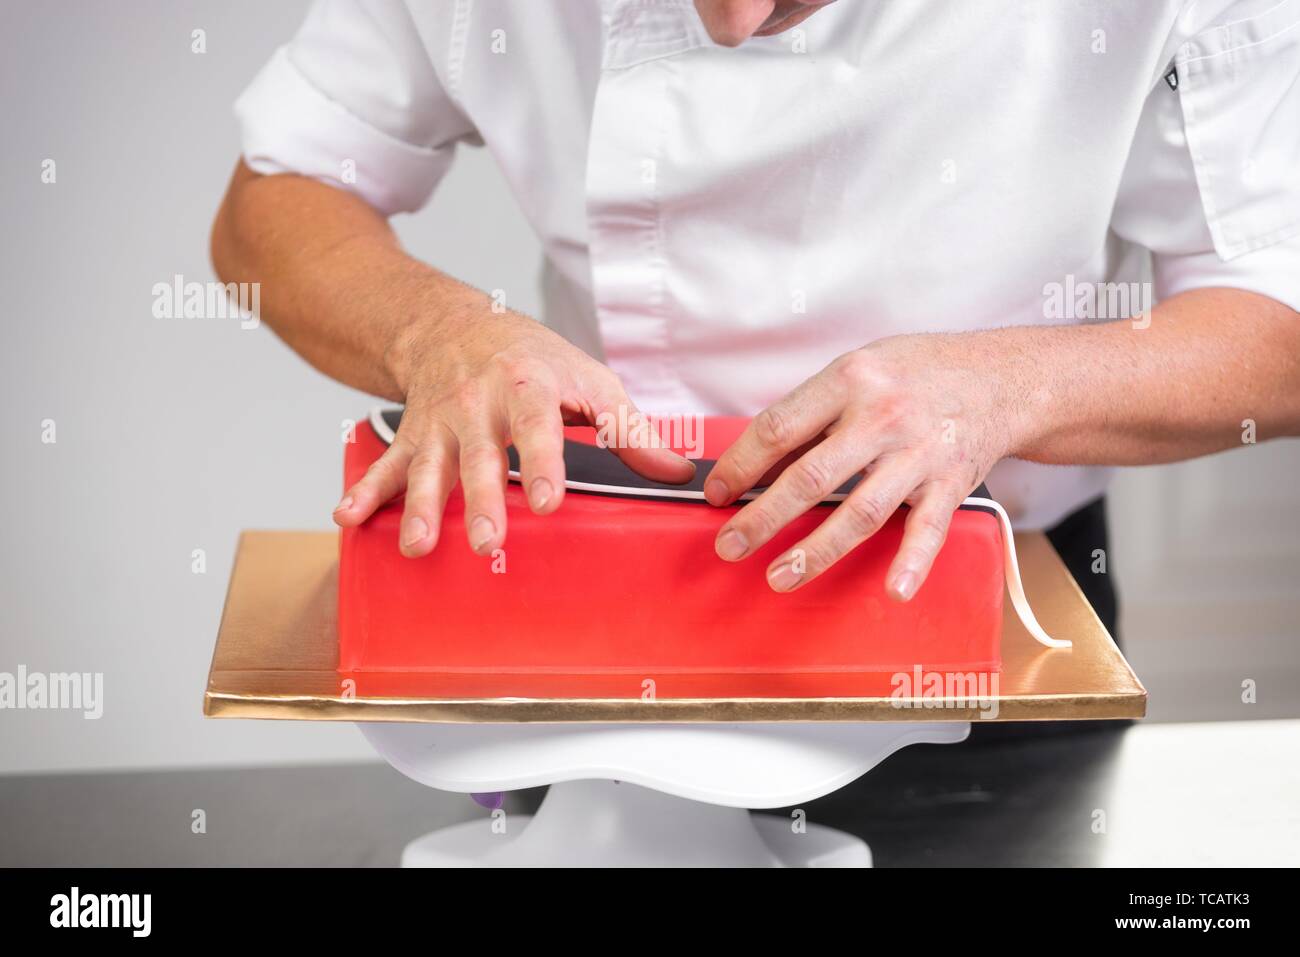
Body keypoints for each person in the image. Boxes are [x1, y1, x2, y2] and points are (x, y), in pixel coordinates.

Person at [212, 0, 1300, 642]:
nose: (730, 26)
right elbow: (274, 201)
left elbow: (1279, 321)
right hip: (581, 568)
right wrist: (435, 330)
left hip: (980, 585)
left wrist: (1004, 390)